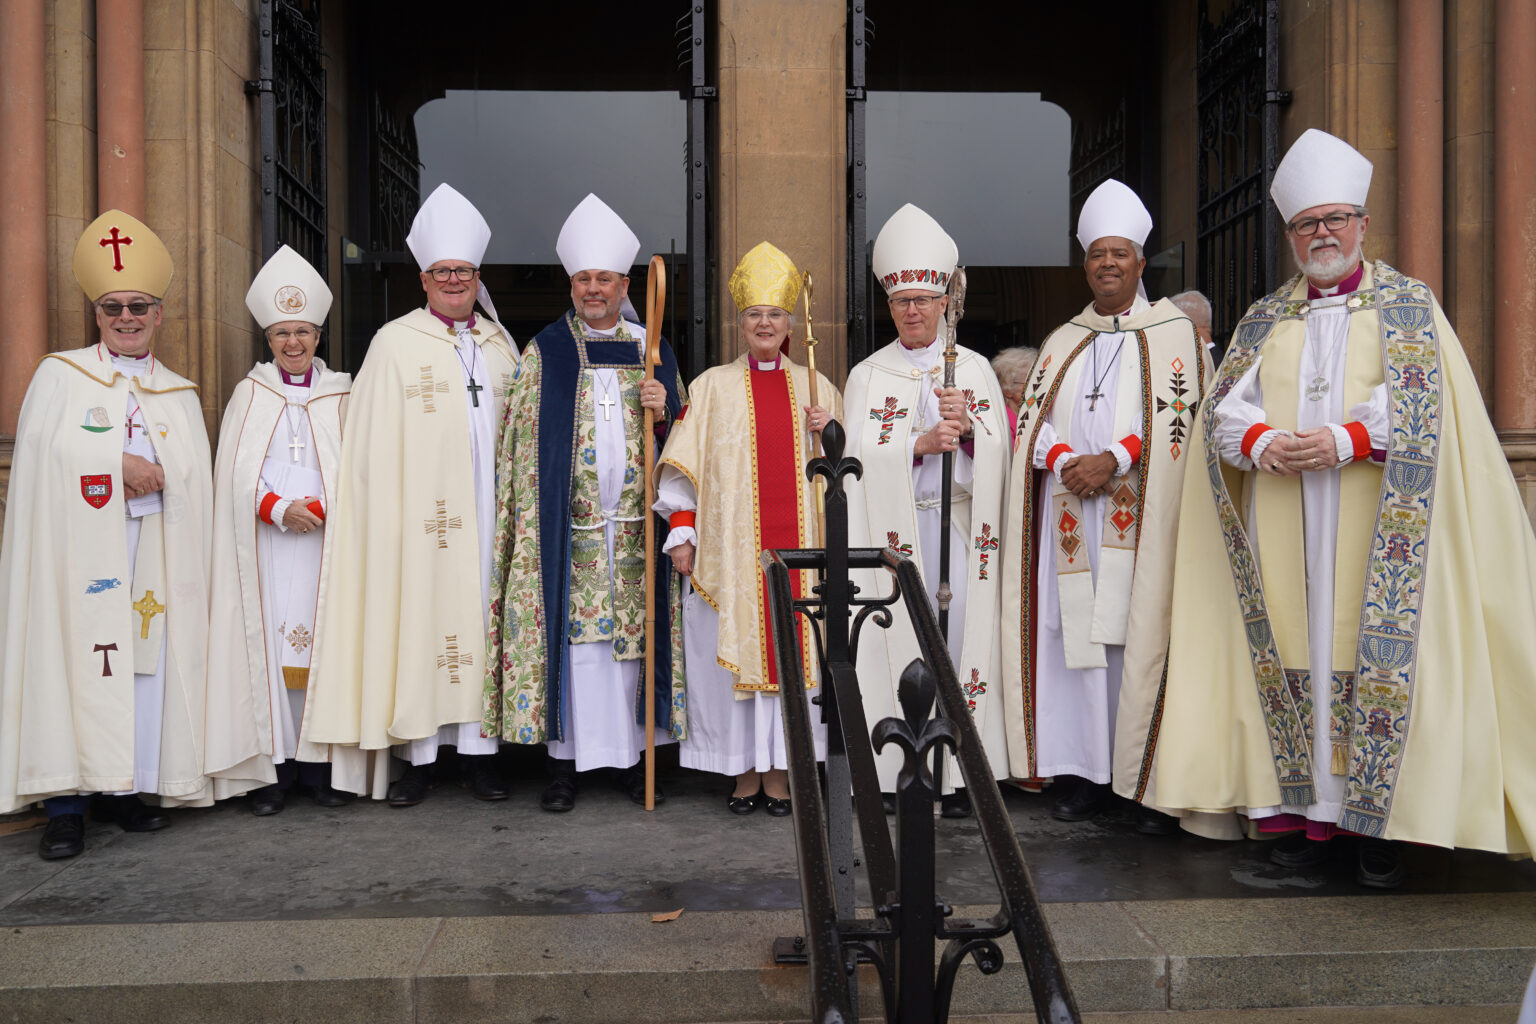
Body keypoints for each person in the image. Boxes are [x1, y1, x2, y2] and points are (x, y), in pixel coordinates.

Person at [1154, 128, 1536, 886]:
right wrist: (1264, 442)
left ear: (1362, 223)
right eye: (1306, 223)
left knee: (1372, 666)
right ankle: (1306, 827)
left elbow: (1430, 410)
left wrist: (1345, 437)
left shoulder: (1409, 309)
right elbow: (1222, 416)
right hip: (1287, 531)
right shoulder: (1265, 320)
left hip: (1382, 533)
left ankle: (1382, 831)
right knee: (1299, 668)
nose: (1321, 234)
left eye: (1334, 219)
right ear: (1290, 233)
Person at [0, 210, 214, 859]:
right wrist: (115, 463)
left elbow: (191, 480)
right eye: (113, 306)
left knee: (143, 671)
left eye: (139, 306)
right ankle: (66, 805)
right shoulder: (59, 378)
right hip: (76, 561)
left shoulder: (177, 393)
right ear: (96, 313)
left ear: (159, 313)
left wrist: (163, 475)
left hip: (150, 553)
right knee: (73, 666)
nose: (127, 316)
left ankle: (126, 791)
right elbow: (42, 461)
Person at [999, 180, 1209, 833]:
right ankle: (1084, 773)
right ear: (1086, 263)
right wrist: (1065, 459)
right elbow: (1030, 424)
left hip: (1142, 516)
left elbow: (1187, 420)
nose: (1108, 264)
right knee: (1076, 648)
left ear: (1141, 262)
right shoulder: (1065, 339)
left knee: (1135, 642)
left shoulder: (1174, 334)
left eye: (1120, 253)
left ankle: (1140, 782)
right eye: (1097, 255)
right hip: (1069, 515)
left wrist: (1113, 458)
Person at [306, 184, 519, 806]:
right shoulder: (393, 343)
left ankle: (481, 755)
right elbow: (370, 451)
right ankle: (421, 758)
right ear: (423, 279)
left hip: (489, 517)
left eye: (463, 271)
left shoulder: (501, 346)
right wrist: (387, 523)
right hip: (421, 525)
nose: (454, 280)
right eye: (441, 271)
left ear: (478, 278)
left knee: (484, 621)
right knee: (421, 621)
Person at [485, 194, 686, 812]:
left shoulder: (652, 348)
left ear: (624, 284)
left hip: (634, 531)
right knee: (578, 648)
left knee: (631, 646)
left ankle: (632, 761)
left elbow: (684, 445)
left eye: (603, 279)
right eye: (582, 279)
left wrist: (665, 409)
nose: (593, 289)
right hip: (569, 532)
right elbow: (520, 441)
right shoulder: (545, 350)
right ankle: (564, 766)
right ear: (570, 285)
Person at [653, 241, 839, 815]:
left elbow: (846, 474)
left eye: (775, 315)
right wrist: (682, 534)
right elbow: (683, 467)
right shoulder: (710, 387)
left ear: (790, 325)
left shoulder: (817, 388)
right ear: (741, 323)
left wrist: (829, 431)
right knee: (729, 653)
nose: (765, 324)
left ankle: (783, 773)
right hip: (730, 559)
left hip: (798, 558)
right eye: (754, 314)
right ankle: (743, 774)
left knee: (794, 656)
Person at [844, 205, 1010, 817]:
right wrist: (915, 444)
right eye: (901, 301)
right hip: (897, 532)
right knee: (899, 640)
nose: (912, 310)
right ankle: (898, 773)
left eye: (923, 299)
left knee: (959, 640)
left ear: (945, 301)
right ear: (889, 306)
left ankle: (960, 774)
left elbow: (1000, 452)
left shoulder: (974, 370)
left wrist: (968, 436)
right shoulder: (868, 374)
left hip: (958, 530)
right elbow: (854, 455)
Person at [205, 245, 380, 814]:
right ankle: (273, 772)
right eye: (282, 334)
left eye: (302, 331)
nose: (293, 344)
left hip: (328, 549)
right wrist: (279, 508)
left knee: (328, 652)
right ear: (269, 339)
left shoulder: (345, 394)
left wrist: (323, 508)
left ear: (319, 335)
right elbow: (231, 474)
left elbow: (361, 470)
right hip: (268, 552)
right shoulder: (249, 395)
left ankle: (320, 769)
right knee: (269, 654)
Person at [991, 345, 1038, 438]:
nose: (1038, 387)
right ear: (1007, 389)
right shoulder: (1000, 426)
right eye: (1031, 382)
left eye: (1038, 381)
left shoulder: (1033, 418)